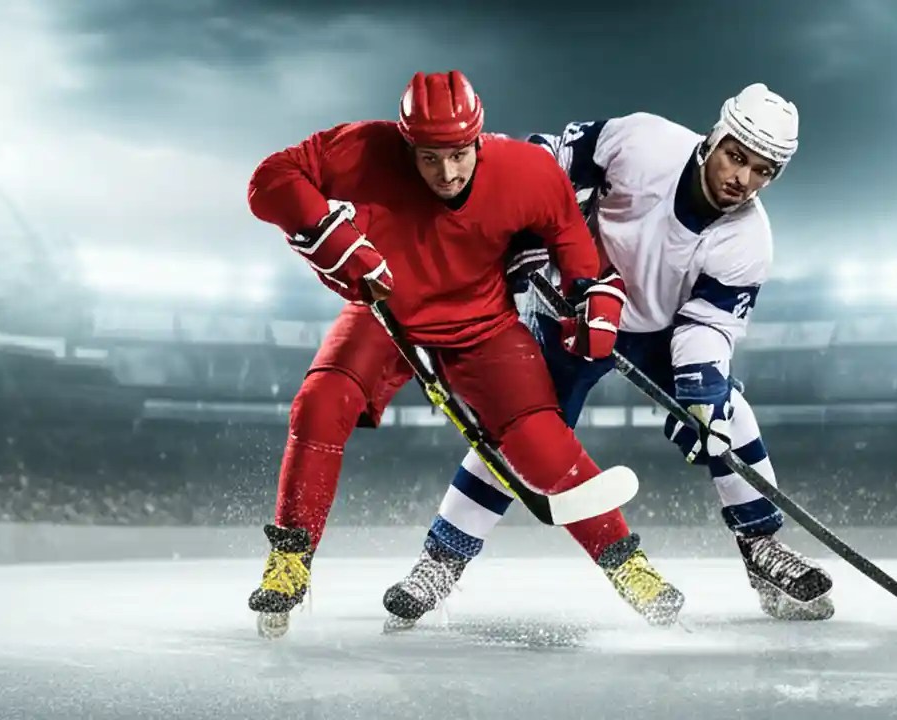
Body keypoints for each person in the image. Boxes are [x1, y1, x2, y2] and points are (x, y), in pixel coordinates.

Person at [244, 70, 684, 635]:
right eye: (429, 158)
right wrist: (325, 231)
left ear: (479, 138)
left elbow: (575, 247)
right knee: (319, 402)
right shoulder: (364, 147)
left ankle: (627, 565)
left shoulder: (529, 171)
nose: (446, 173)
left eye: (458, 154)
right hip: (383, 310)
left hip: (482, 324)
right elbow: (270, 179)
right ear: (406, 144)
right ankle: (290, 557)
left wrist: (592, 300)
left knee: (542, 444)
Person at [385, 83, 834, 627]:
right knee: (520, 433)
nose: (742, 179)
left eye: (762, 171)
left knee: (728, 416)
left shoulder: (750, 240)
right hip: (576, 307)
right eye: (736, 157)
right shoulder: (642, 142)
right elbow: (545, 162)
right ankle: (441, 560)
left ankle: (762, 546)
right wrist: (524, 228)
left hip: (663, 332)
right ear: (714, 138)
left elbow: (709, 325)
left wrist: (702, 394)